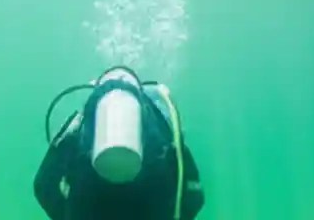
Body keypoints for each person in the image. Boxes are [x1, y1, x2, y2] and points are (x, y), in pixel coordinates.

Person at [34, 67, 205, 220]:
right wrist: (178, 147)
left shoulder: (80, 139)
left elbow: (43, 186)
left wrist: (66, 139)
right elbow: (194, 196)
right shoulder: (155, 135)